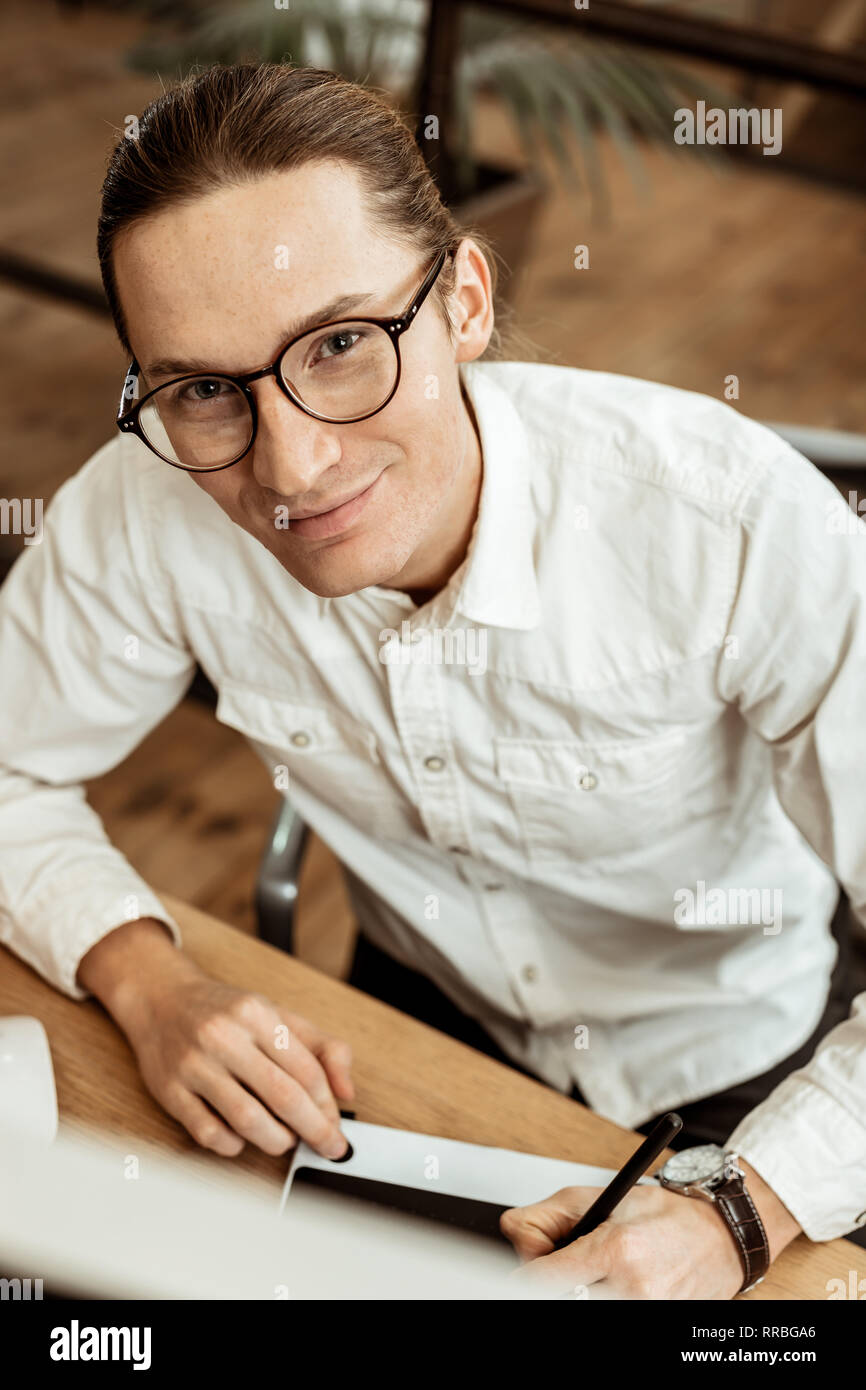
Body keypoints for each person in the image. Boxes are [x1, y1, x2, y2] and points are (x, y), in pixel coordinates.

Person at [1, 63, 864, 1298]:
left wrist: (736, 1209)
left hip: (739, 1066)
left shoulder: (722, 519)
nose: (291, 465)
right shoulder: (148, 504)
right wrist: (150, 979)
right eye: (203, 389)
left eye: (342, 344)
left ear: (463, 297)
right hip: (412, 1023)